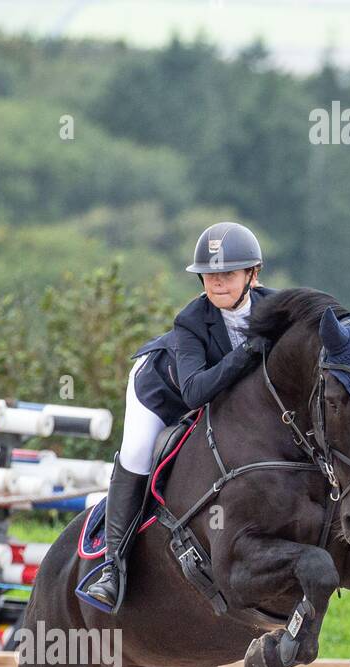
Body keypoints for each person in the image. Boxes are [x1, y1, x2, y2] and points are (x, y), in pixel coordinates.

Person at [82, 221, 274, 612]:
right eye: (210, 275)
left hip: (217, 400)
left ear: (253, 274)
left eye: (228, 274)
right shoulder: (191, 320)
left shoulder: (275, 311)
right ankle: (112, 569)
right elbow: (195, 391)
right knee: (137, 453)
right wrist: (248, 352)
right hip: (160, 395)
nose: (218, 283)